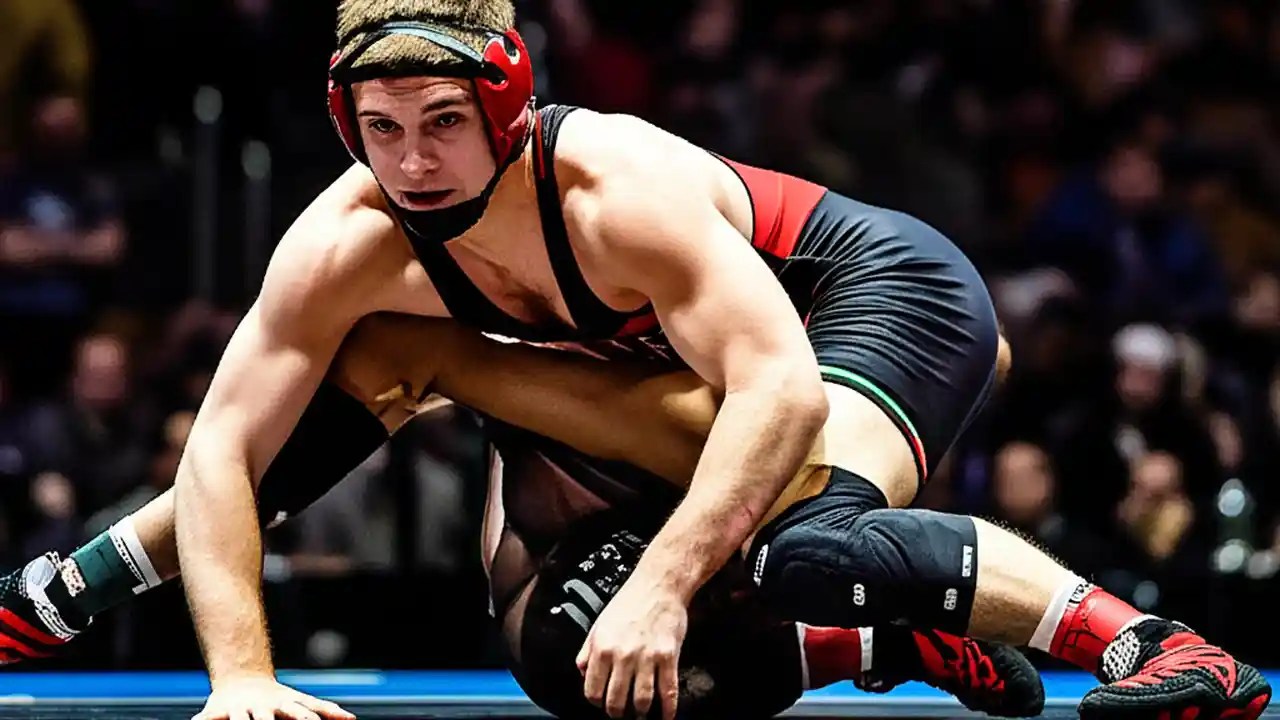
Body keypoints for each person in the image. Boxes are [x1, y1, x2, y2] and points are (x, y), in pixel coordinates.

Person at [6, 1, 1271, 719]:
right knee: (573, 653)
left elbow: (772, 392)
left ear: (506, 111)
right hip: (681, 387)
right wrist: (240, 678)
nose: (413, 163)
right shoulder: (344, 243)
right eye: (381, 131)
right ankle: (871, 643)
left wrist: (669, 582)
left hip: (860, 305)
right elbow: (227, 448)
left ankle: (1156, 648)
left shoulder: (615, 191)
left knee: (803, 545)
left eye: (444, 125)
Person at [0, 315, 1044, 720]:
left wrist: (884, 429)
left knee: (737, 591)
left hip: (710, 532)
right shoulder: (471, 333)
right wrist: (76, 584)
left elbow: (973, 354)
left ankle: (864, 626)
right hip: (558, 560)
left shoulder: (710, 302)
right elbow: (252, 474)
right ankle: (864, 642)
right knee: (574, 669)